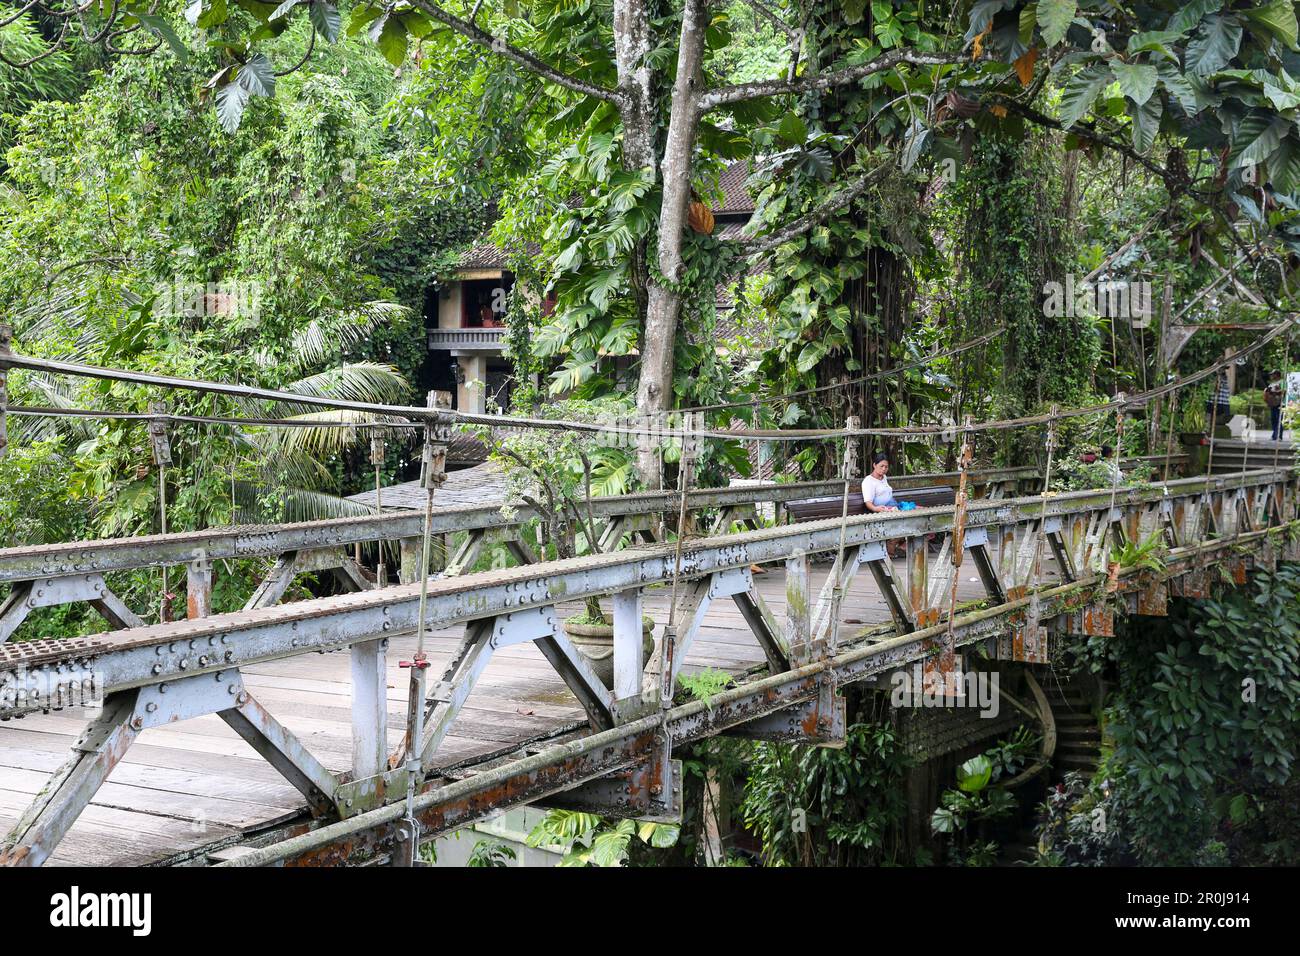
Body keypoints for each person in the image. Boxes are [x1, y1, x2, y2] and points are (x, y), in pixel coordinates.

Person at [1205, 370, 1232, 434]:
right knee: (1208, 418)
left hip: (1218, 403)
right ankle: (1208, 431)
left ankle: (1209, 431)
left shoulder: (1223, 381)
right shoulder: (1219, 381)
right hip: (1215, 402)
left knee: (1210, 418)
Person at [1265, 369, 1284, 441]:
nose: (1271, 376)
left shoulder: (1282, 382)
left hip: (1280, 404)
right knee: (1273, 420)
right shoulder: (1271, 384)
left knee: (1279, 420)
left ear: (1276, 375)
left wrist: (1274, 392)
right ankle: (1274, 435)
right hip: (1273, 404)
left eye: (1272, 374)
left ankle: (1279, 436)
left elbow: (1283, 391)